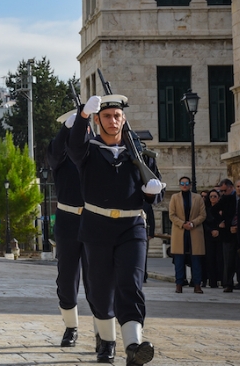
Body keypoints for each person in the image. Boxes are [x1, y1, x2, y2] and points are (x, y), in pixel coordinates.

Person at [67, 94, 163, 366]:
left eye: (117, 116)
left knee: (130, 285)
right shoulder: (88, 150)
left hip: (131, 227)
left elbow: (153, 190)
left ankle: (133, 345)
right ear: (99, 120)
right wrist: (82, 115)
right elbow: (73, 146)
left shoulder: (138, 151)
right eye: (107, 116)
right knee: (99, 289)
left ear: (124, 119)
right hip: (96, 226)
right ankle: (107, 342)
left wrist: (153, 193)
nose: (113, 121)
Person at [47, 111, 106, 350]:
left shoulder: (94, 151)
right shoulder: (61, 155)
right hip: (68, 220)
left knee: (97, 280)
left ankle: (102, 331)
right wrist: (65, 130)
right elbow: (53, 154)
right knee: (67, 279)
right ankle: (71, 327)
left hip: (93, 220)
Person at [169, 176, 206, 294]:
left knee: (196, 259)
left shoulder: (198, 197)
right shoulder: (174, 197)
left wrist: (193, 223)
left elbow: (202, 214)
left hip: (194, 230)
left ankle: (197, 284)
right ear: (179, 185)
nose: (184, 185)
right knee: (179, 259)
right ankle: (179, 284)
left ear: (190, 185)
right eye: (182, 183)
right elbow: (172, 215)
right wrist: (182, 224)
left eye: (186, 183)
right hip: (180, 231)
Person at [216, 179, 239, 292]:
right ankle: (228, 283)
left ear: (231, 187)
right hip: (228, 233)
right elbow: (213, 211)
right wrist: (221, 221)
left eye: (224, 190)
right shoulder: (224, 199)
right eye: (221, 191)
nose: (223, 193)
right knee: (228, 260)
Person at [203, 189, 224, 288]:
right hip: (209, 236)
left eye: (215, 196)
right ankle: (212, 281)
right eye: (211, 196)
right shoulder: (206, 210)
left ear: (218, 197)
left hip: (220, 236)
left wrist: (218, 230)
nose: (213, 198)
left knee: (220, 259)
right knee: (210, 259)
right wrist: (211, 231)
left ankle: (223, 281)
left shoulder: (222, 209)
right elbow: (204, 223)